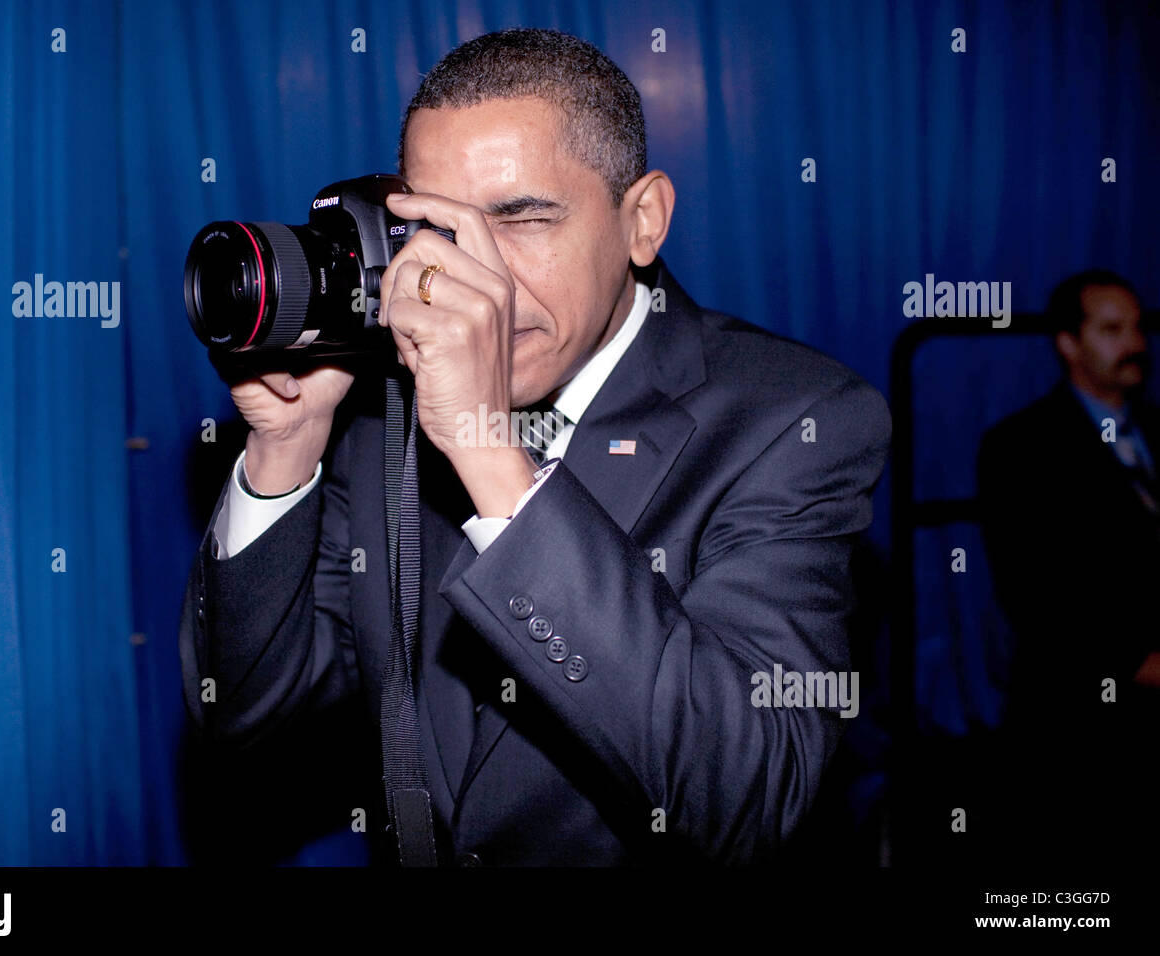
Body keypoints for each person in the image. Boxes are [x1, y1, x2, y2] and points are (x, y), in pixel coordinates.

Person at [178, 28, 891, 865]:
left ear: (643, 221)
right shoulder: (380, 415)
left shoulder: (793, 418)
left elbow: (749, 795)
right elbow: (247, 713)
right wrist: (287, 450)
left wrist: (488, 455)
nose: (473, 277)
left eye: (523, 218)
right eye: (437, 229)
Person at [977, 269, 1160, 865]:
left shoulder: (1156, 431)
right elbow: (1039, 595)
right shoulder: (1022, 448)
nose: (1133, 344)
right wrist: (1137, 662)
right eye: (1111, 330)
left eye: (1136, 327)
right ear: (1068, 342)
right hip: (1080, 724)